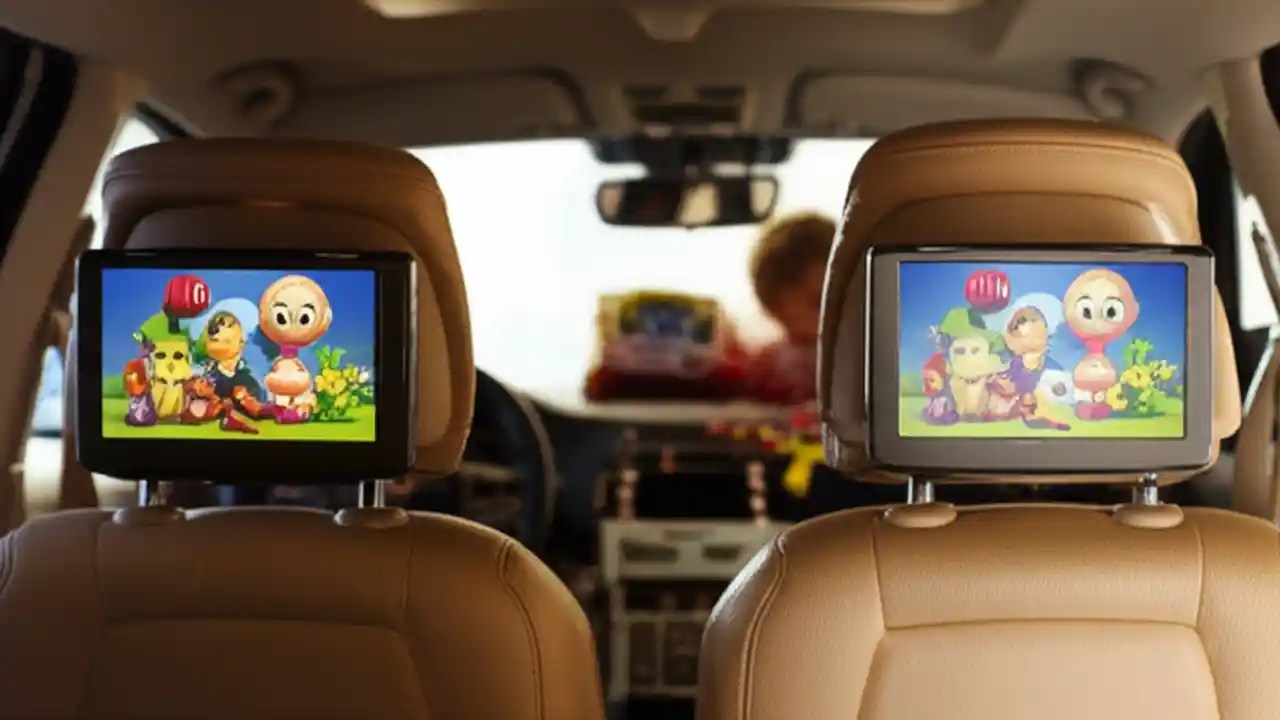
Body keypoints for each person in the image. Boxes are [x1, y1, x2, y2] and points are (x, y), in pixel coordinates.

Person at [744, 212, 835, 405]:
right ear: (776, 307)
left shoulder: (864, 361)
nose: (834, 313)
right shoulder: (765, 366)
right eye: (817, 302)